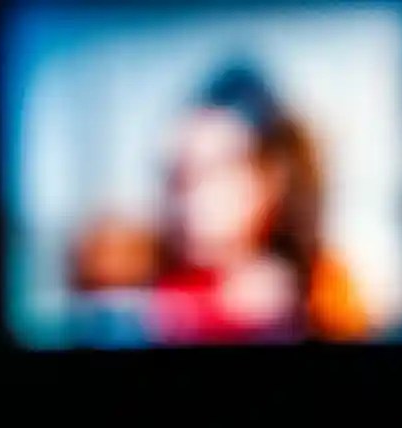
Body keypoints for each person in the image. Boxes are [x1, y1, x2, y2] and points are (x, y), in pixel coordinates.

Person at [150, 64, 366, 344]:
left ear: (269, 179)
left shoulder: (329, 296)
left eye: (212, 170)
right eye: (175, 175)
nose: (186, 198)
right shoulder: (153, 299)